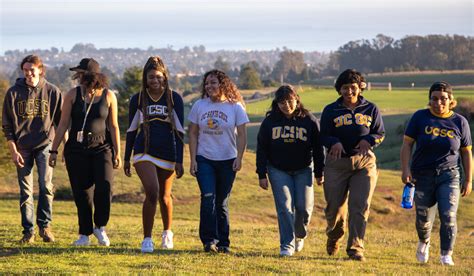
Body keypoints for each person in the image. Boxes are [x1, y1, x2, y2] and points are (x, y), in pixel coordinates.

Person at [49, 58, 121, 246]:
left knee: (105, 187)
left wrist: (118, 152)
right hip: (76, 149)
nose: (78, 77)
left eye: (81, 74)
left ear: (92, 76)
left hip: (102, 147)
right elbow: (63, 124)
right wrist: (54, 150)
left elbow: (113, 126)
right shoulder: (72, 94)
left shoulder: (108, 96)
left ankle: (100, 226)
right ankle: (84, 234)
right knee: (82, 193)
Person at [400, 81, 472, 266]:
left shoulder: (460, 122)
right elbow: (407, 144)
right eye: (434, 99)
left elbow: (466, 152)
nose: (439, 102)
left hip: (449, 175)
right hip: (421, 175)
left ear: (451, 100)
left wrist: (468, 179)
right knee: (423, 218)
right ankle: (424, 241)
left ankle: (446, 254)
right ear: (429, 100)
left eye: (443, 99)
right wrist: (406, 169)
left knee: (448, 215)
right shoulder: (420, 117)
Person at [320, 69, 385, 261]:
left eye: (353, 87)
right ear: (339, 90)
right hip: (336, 164)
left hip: (364, 164)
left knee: (360, 206)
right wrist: (333, 142)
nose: (349, 92)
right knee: (334, 209)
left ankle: (356, 248)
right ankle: (334, 236)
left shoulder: (371, 108)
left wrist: (369, 140)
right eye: (345, 88)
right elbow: (322, 135)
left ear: (360, 87)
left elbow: (380, 132)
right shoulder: (331, 110)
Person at [124, 56, 184, 253]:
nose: (155, 81)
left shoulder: (174, 98)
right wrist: (126, 158)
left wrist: (180, 160)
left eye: (158, 77)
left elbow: (180, 131)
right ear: (145, 78)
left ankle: (167, 233)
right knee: (152, 191)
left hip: (167, 151)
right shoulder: (138, 98)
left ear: (165, 77)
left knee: (165, 197)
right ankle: (147, 239)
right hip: (144, 150)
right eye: (151, 77)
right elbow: (132, 129)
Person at [256, 85, 325, 257]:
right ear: (276, 104)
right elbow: (262, 148)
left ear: (296, 99)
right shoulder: (270, 121)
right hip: (278, 170)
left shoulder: (308, 120)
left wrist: (319, 172)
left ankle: (299, 235)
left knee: (304, 208)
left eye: (289, 100)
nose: (286, 105)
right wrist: (261, 174)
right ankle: (286, 244)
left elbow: (318, 147)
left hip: (304, 169)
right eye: (282, 102)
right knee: (285, 207)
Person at [2, 55, 63, 243]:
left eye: (32, 69)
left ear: (40, 70)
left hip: (45, 145)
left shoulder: (52, 91)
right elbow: (7, 126)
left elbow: (62, 123)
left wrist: (63, 148)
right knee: (25, 191)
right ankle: (28, 232)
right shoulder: (13, 93)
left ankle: (45, 227)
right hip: (22, 147)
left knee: (46, 187)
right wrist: (13, 150)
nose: (28, 73)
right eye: (25, 70)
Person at [188, 69, 249, 253]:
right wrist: (192, 160)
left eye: (213, 82)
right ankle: (208, 241)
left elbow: (242, 135)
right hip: (204, 158)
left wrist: (239, 158)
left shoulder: (235, 107)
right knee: (208, 198)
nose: (209, 86)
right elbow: (192, 132)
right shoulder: (199, 105)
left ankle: (223, 242)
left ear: (223, 84)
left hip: (227, 160)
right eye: (207, 83)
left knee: (221, 202)